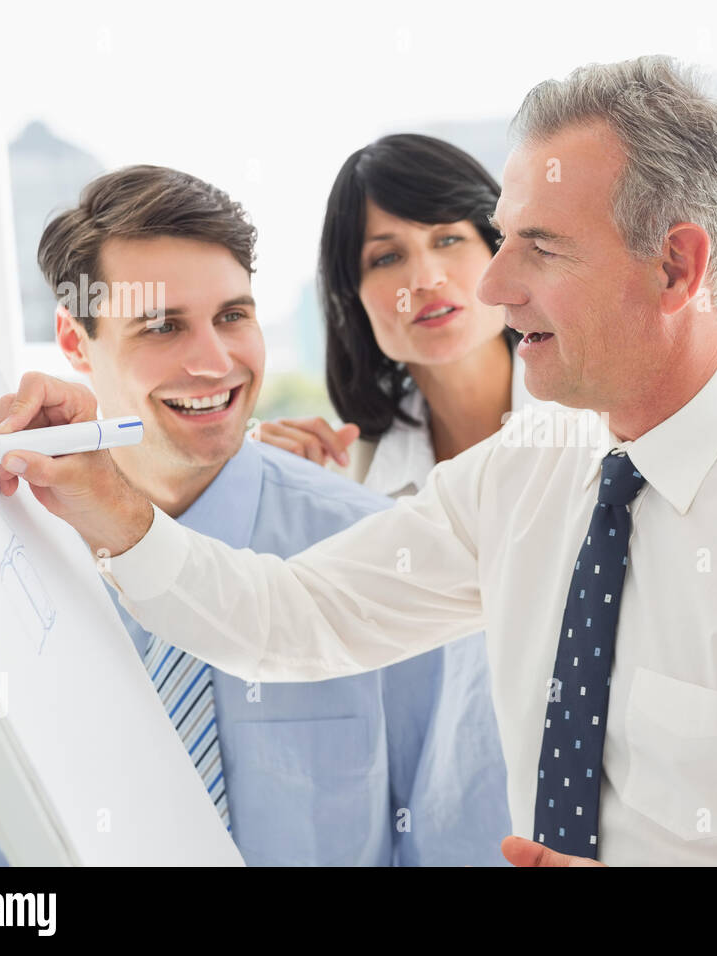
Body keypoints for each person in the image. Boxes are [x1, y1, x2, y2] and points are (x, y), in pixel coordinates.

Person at [0, 56, 717, 866]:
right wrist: (105, 501)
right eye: (502, 239)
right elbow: (292, 619)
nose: (494, 288)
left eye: (538, 248)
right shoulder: (537, 463)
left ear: (675, 267)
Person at [0, 165, 510, 866]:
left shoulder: (379, 549)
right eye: (162, 326)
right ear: (76, 341)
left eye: (233, 316)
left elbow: (459, 842)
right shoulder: (11, 566)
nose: (214, 362)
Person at [255, 133, 527, 863]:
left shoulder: (600, 431)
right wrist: (282, 501)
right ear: (354, 297)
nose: (425, 277)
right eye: (386, 256)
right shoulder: (349, 478)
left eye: (449, 238)